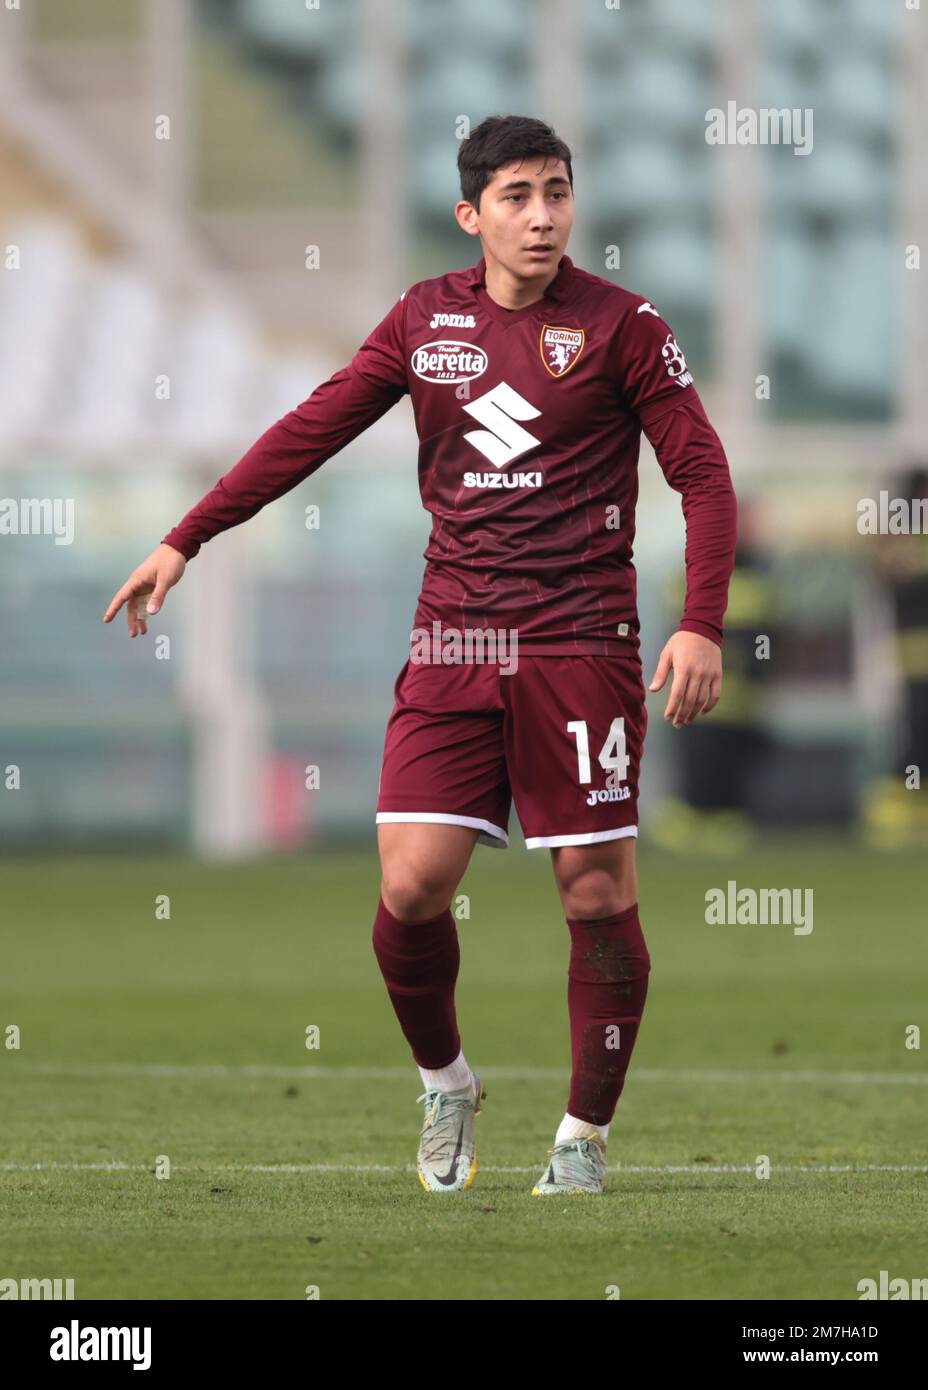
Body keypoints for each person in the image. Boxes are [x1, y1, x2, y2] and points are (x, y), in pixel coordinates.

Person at [104, 115, 737, 1196]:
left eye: (556, 192)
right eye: (517, 197)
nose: (541, 216)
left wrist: (701, 620)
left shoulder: (624, 327)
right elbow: (312, 426)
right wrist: (185, 534)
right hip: (453, 636)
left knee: (591, 893)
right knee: (409, 886)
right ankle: (447, 1083)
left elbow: (704, 474)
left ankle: (580, 1141)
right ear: (470, 215)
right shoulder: (422, 322)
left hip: (580, 638)